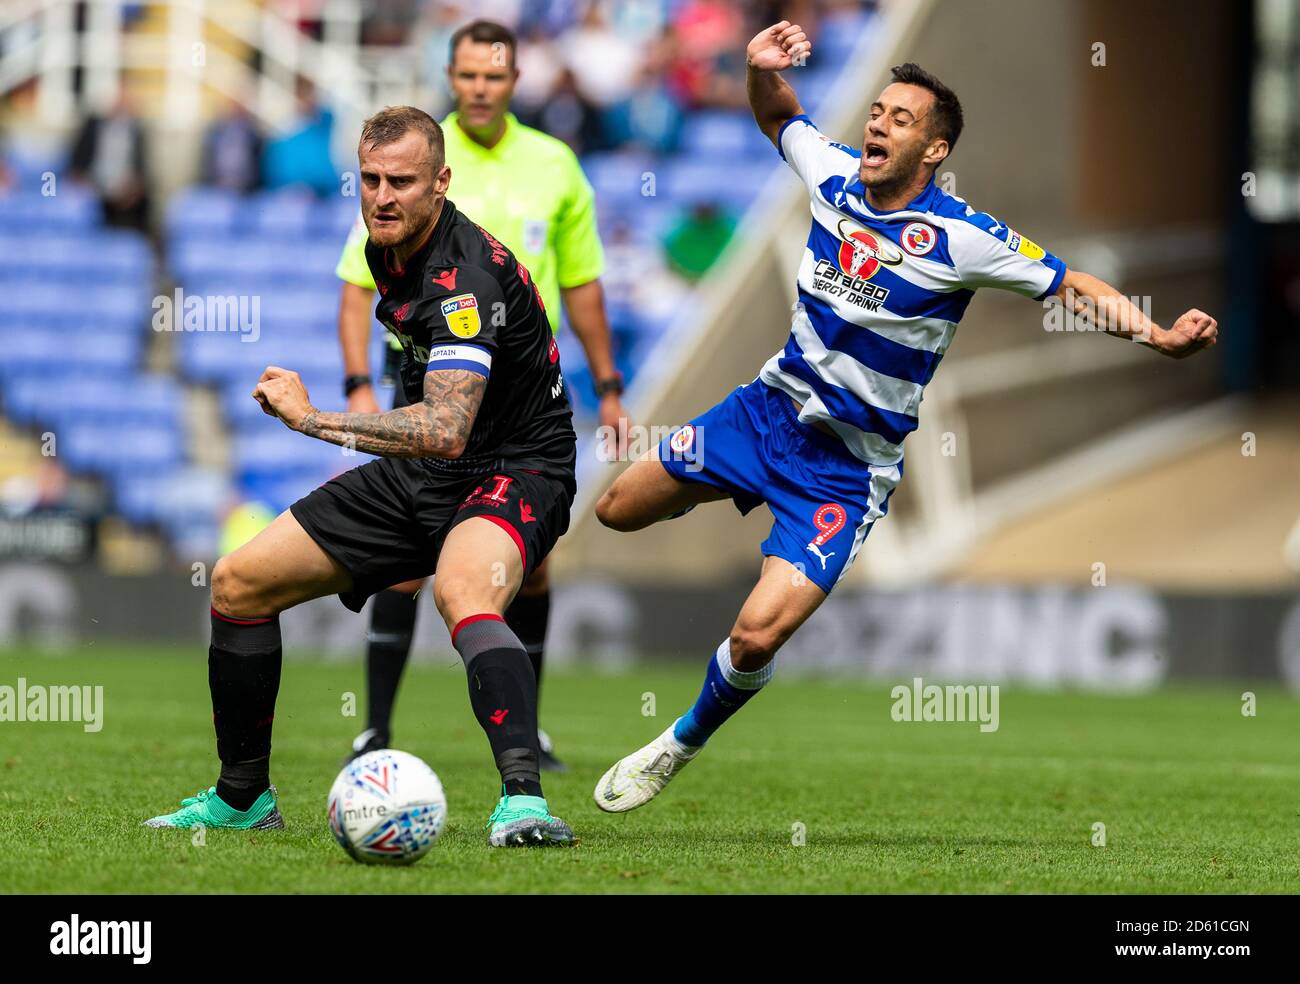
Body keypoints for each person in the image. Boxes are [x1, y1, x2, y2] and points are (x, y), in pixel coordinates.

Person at [592, 21, 1219, 813]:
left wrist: (1157, 334)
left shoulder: (964, 239)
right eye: (878, 110)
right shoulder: (833, 177)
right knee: (615, 512)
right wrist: (757, 68)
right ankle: (715, 479)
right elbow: (778, 116)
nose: (878, 123)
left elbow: (1073, 284)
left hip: (844, 470)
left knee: (755, 636)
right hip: (764, 414)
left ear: (934, 150)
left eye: (900, 118)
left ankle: (677, 742)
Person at [146, 106, 578, 846]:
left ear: (441, 183)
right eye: (371, 179)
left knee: (462, 589)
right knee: (239, 583)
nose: (382, 196)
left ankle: (525, 804)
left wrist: (314, 419)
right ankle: (242, 795)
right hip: (426, 473)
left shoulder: (462, 278)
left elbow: (444, 428)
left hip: (516, 467)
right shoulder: (387, 243)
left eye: (403, 182)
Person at [335, 19, 627, 771]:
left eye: (493, 77)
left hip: (525, 396)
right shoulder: (410, 158)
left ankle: (526, 730)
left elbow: (582, 282)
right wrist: (357, 384)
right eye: (466, 76)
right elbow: (354, 285)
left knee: (527, 566)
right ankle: (375, 726)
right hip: (430, 384)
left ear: (514, 81)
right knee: (407, 560)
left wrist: (612, 386)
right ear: (453, 75)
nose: (479, 88)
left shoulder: (556, 164)